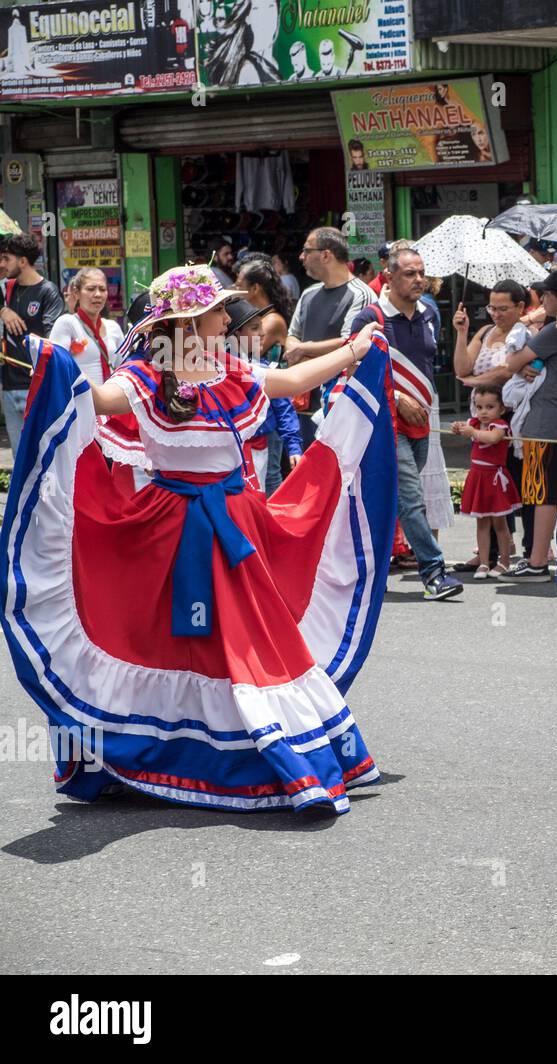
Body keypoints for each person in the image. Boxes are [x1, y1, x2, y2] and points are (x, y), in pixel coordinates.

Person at [0, 263, 398, 813]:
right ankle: (178, 754)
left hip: (236, 523)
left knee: (243, 645)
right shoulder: (145, 374)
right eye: (215, 309)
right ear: (189, 321)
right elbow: (98, 400)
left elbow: (289, 381)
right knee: (182, 644)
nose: (225, 315)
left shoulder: (229, 367)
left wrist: (355, 351)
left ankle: (251, 750)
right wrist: (54, 362)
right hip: (175, 529)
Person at [350, 246, 462, 601]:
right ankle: (434, 573)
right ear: (390, 274)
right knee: (411, 498)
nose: (419, 280)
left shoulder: (431, 313)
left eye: (421, 273)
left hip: (422, 422)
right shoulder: (369, 318)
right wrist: (397, 398)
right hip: (385, 421)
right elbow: (353, 368)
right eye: (410, 274)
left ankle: (370, 573)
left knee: (391, 499)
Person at [497, 269, 557, 581]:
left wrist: (523, 322)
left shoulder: (554, 331)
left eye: (546, 294)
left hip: (544, 420)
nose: (541, 300)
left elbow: (511, 362)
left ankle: (536, 560)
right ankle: (551, 556)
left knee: (540, 491)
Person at [286, 226, 376, 445]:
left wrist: (304, 349)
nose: (302, 257)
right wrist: (297, 348)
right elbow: (291, 336)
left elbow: (352, 344)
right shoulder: (308, 294)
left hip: (340, 399)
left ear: (326, 255)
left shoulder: (361, 294)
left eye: (307, 251)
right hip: (305, 397)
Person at [225, 298, 302, 491]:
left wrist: (293, 445)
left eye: (261, 326)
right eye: (254, 328)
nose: (262, 333)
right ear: (235, 334)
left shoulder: (263, 368)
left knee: (270, 485)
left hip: (264, 446)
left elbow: (283, 407)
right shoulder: (217, 371)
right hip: (230, 453)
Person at [1, 232, 65, 447]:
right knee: (19, 456)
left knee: (40, 454)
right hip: (9, 386)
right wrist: (3, 310)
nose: (2, 264)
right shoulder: (7, 287)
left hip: (35, 384)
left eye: (6, 259)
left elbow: (51, 338)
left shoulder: (48, 291)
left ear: (22, 261)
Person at [451, 385, 519, 577]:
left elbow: (493, 438)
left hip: (495, 479)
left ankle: (504, 562)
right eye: (479, 407)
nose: (484, 412)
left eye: (489, 407)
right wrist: (457, 427)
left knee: (500, 523)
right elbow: (466, 429)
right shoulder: (473, 423)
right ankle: (483, 562)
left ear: (501, 409)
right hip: (478, 477)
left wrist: (471, 432)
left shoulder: (499, 426)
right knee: (481, 523)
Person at [48, 268, 124, 387]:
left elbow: (124, 368)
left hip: (111, 402)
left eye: (102, 289)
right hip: (80, 401)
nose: (97, 294)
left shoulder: (113, 327)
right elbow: (57, 367)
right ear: (77, 293)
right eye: (90, 289)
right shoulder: (67, 323)